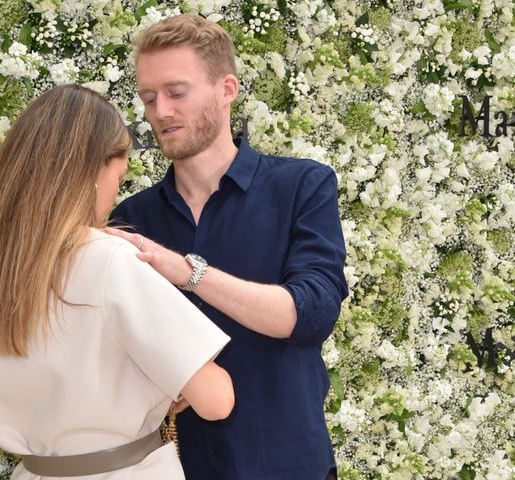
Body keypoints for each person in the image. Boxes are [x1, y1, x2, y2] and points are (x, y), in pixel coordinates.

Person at [0, 84, 234, 480]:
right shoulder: (109, 259)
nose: (113, 196)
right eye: (118, 179)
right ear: (92, 171)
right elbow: (216, 400)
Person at [107, 14, 349, 480]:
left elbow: (312, 313)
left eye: (177, 93)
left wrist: (188, 273)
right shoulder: (134, 218)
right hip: (176, 468)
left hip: (288, 465)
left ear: (227, 89)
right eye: (149, 98)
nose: (160, 111)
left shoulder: (302, 185)